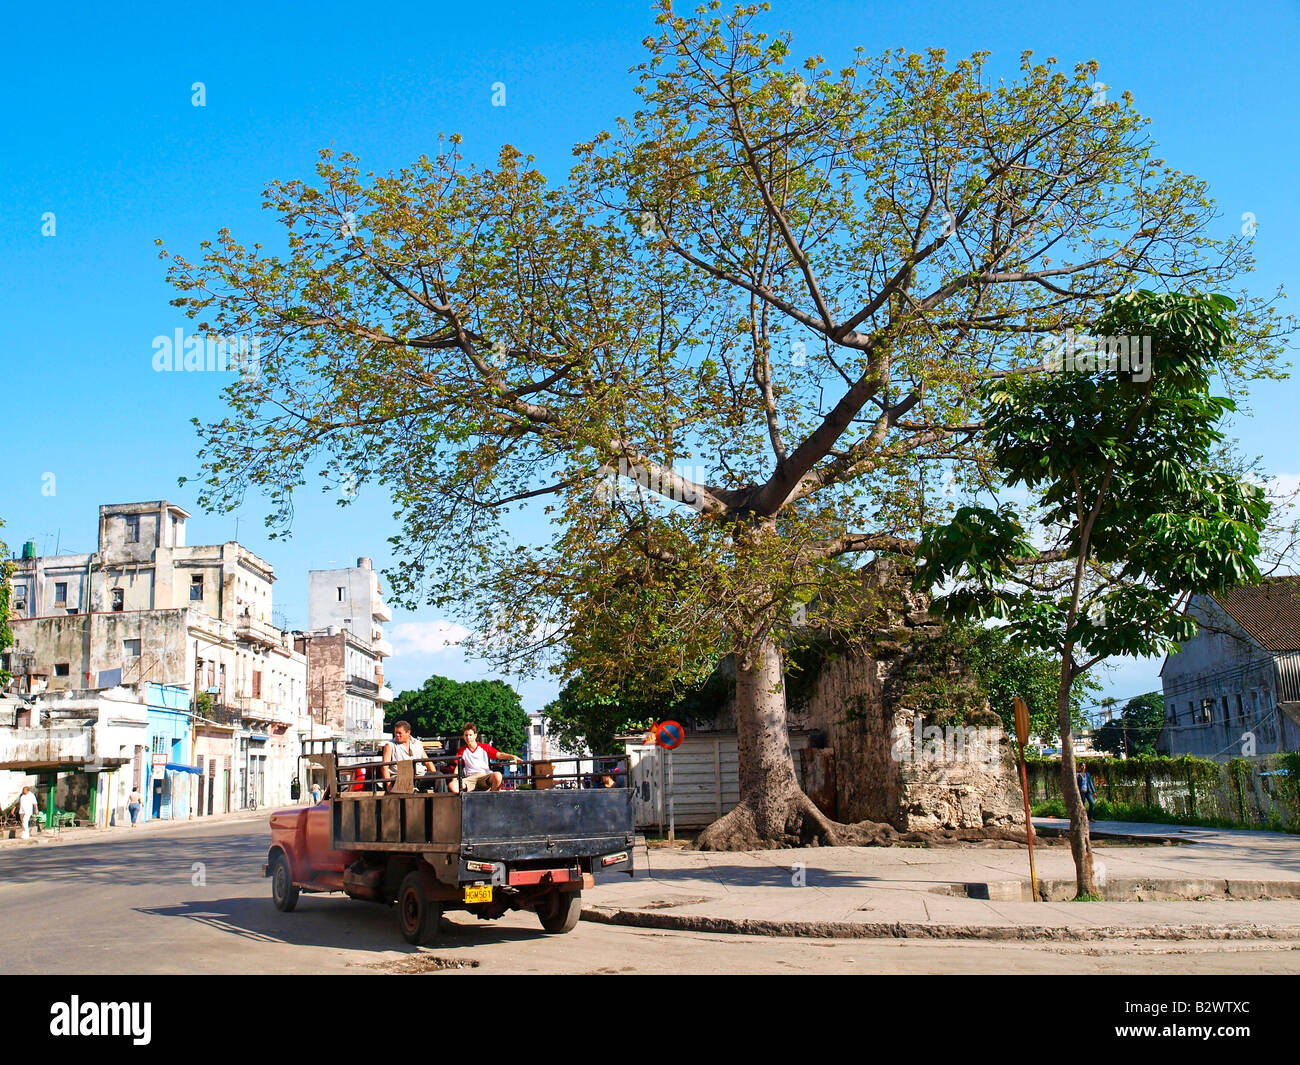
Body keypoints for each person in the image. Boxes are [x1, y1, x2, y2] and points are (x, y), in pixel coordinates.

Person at [449, 723, 522, 793]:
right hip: (470, 778)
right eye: (466, 735)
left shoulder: (484, 747)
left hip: (485, 775)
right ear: (463, 736)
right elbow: (458, 766)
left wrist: (512, 756)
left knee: (498, 775)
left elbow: (498, 754)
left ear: (475, 736)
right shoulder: (462, 750)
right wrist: (454, 780)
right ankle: (466, 799)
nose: (468, 738)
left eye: (470, 735)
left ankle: (492, 798)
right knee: (452, 785)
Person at [382, 720, 438, 790]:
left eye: (399, 733)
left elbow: (428, 762)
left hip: (419, 776)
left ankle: (443, 798)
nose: (397, 735)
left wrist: (434, 776)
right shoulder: (390, 745)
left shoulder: (417, 743)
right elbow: (385, 767)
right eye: (396, 733)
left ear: (408, 732)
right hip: (400, 777)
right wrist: (388, 785)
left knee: (439, 775)